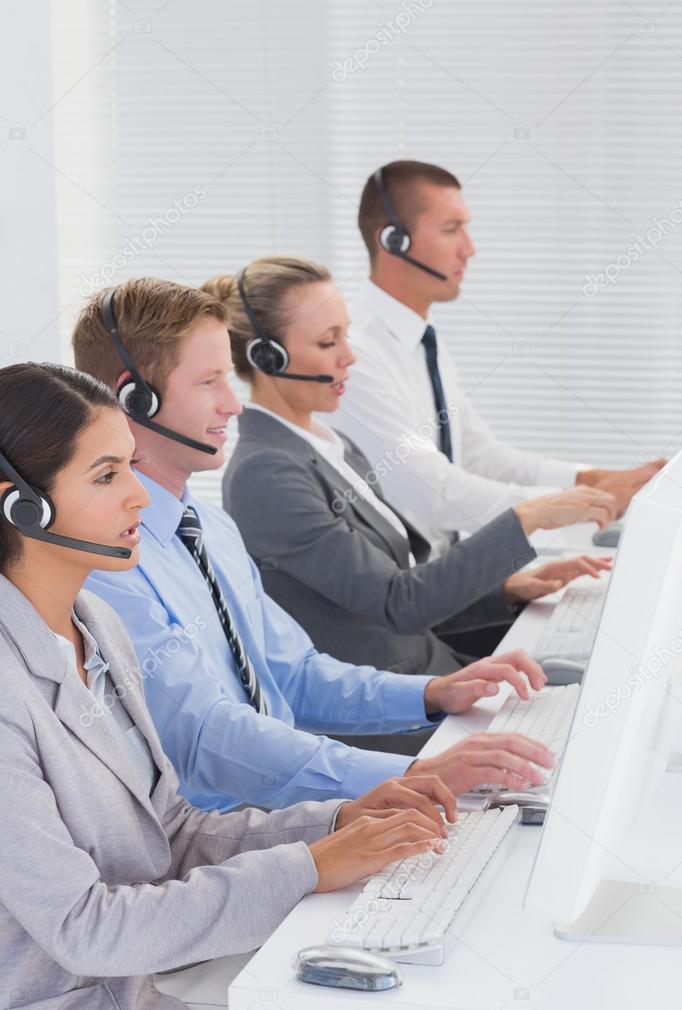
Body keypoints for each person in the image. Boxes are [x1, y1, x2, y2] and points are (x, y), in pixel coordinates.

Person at [0, 361, 461, 1010]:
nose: (138, 495)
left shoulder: (94, 627)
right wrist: (307, 867)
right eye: (106, 475)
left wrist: (334, 820)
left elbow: (172, 832)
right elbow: (86, 927)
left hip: (140, 998)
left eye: (130, 465)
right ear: (20, 505)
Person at [73, 277, 554, 813]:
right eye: (209, 382)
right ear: (133, 398)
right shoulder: (106, 565)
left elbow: (293, 673)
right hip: (223, 837)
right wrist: (411, 773)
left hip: (292, 809)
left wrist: (429, 695)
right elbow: (208, 736)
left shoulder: (210, 529)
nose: (233, 406)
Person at [209, 256, 611, 676]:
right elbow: (398, 602)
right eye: (329, 343)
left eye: (346, 336)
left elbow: (388, 588)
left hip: (427, 670)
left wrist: (505, 591)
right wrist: (527, 518)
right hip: (381, 707)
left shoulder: (330, 445)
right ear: (267, 357)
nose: (350, 357)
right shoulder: (268, 475)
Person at [326, 159, 665, 553]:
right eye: (451, 230)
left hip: (442, 584)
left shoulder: (422, 341)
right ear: (393, 241)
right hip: (407, 595)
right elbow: (433, 492)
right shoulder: (355, 355)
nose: (469, 249)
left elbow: (478, 455)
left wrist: (589, 480)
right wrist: (576, 507)